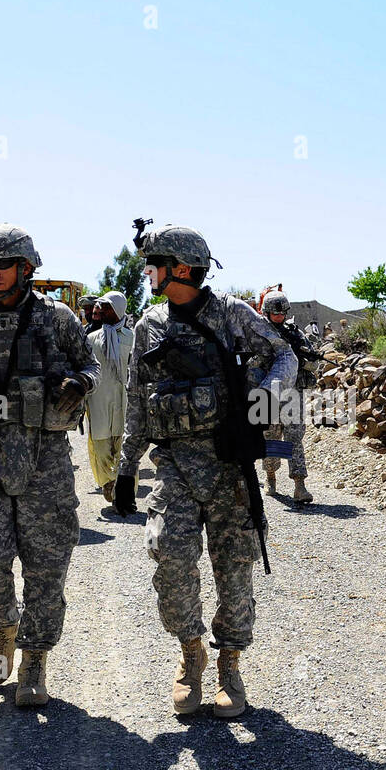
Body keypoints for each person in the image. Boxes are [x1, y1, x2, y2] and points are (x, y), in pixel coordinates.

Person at [112, 223, 296, 718]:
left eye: (155, 264)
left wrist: (266, 395)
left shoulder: (232, 315)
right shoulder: (148, 324)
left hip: (228, 464)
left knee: (234, 565)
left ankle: (230, 662)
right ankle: (190, 652)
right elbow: (136, 398)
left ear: (182, 269)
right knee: (170, 557)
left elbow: (284, 355)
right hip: (173, 464)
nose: (148, 272)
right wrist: (126, 468)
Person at [0, 224, 99, 708]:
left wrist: (79, 385)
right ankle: (2, 631)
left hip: (44, 460)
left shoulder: (59, 318)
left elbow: (89, 366)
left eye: (2, 265)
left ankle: (33, 661)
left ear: (26, 268)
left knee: (47, 569)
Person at [259, 291, 317, 503]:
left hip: (293, 393)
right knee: (271, 437)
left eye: (282, 313)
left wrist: (302, 359)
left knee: (294, 439)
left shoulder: (296, 334)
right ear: (266, 312)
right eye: (275, 313)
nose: (279, 316)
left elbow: (314, 363)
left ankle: (299, 485)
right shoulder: (259, 334)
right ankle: (271, 477)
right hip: (269, 393)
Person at [84, 291, 133, 504]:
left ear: (118, 309)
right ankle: (107, 482)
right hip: (99, 399)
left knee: (125, 447)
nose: (100, 310)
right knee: (101, 445)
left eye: (106, 307)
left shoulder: (133, 338)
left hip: (125, 400)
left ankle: (125, 492)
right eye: (100, 306)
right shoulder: (91, 340)